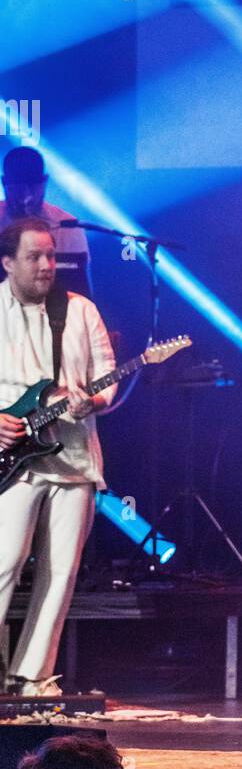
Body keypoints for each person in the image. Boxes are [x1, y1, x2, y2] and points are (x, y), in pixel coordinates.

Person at [0, 217, 116, 696]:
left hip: (73, 458)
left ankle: (31, 676)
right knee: (5, 561)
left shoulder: (79, 310)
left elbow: (108, 376)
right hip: (14, 462)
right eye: (35, 256)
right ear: (8, 262)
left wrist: (93, 401)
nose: (47, 265)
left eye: (51, 255)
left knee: (61, 572)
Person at [0, 146, 91, 298]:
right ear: (4, 183)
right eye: (17, 188)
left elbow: (79, 292)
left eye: (32, 186)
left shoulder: (67, 226)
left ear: (45, 182)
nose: (26, 196)